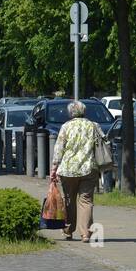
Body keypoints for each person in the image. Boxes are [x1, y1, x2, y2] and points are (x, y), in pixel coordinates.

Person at [50, 100, 102, 242]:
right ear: (84, 112)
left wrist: (54, 168)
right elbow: (103, 143)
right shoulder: (93, 126)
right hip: (89, 168)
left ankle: (68, 231)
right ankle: (85, 234)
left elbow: (59, 148)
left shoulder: (66, 127)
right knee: (86, 201)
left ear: (71, 113)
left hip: (68, 169)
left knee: (69, 200)